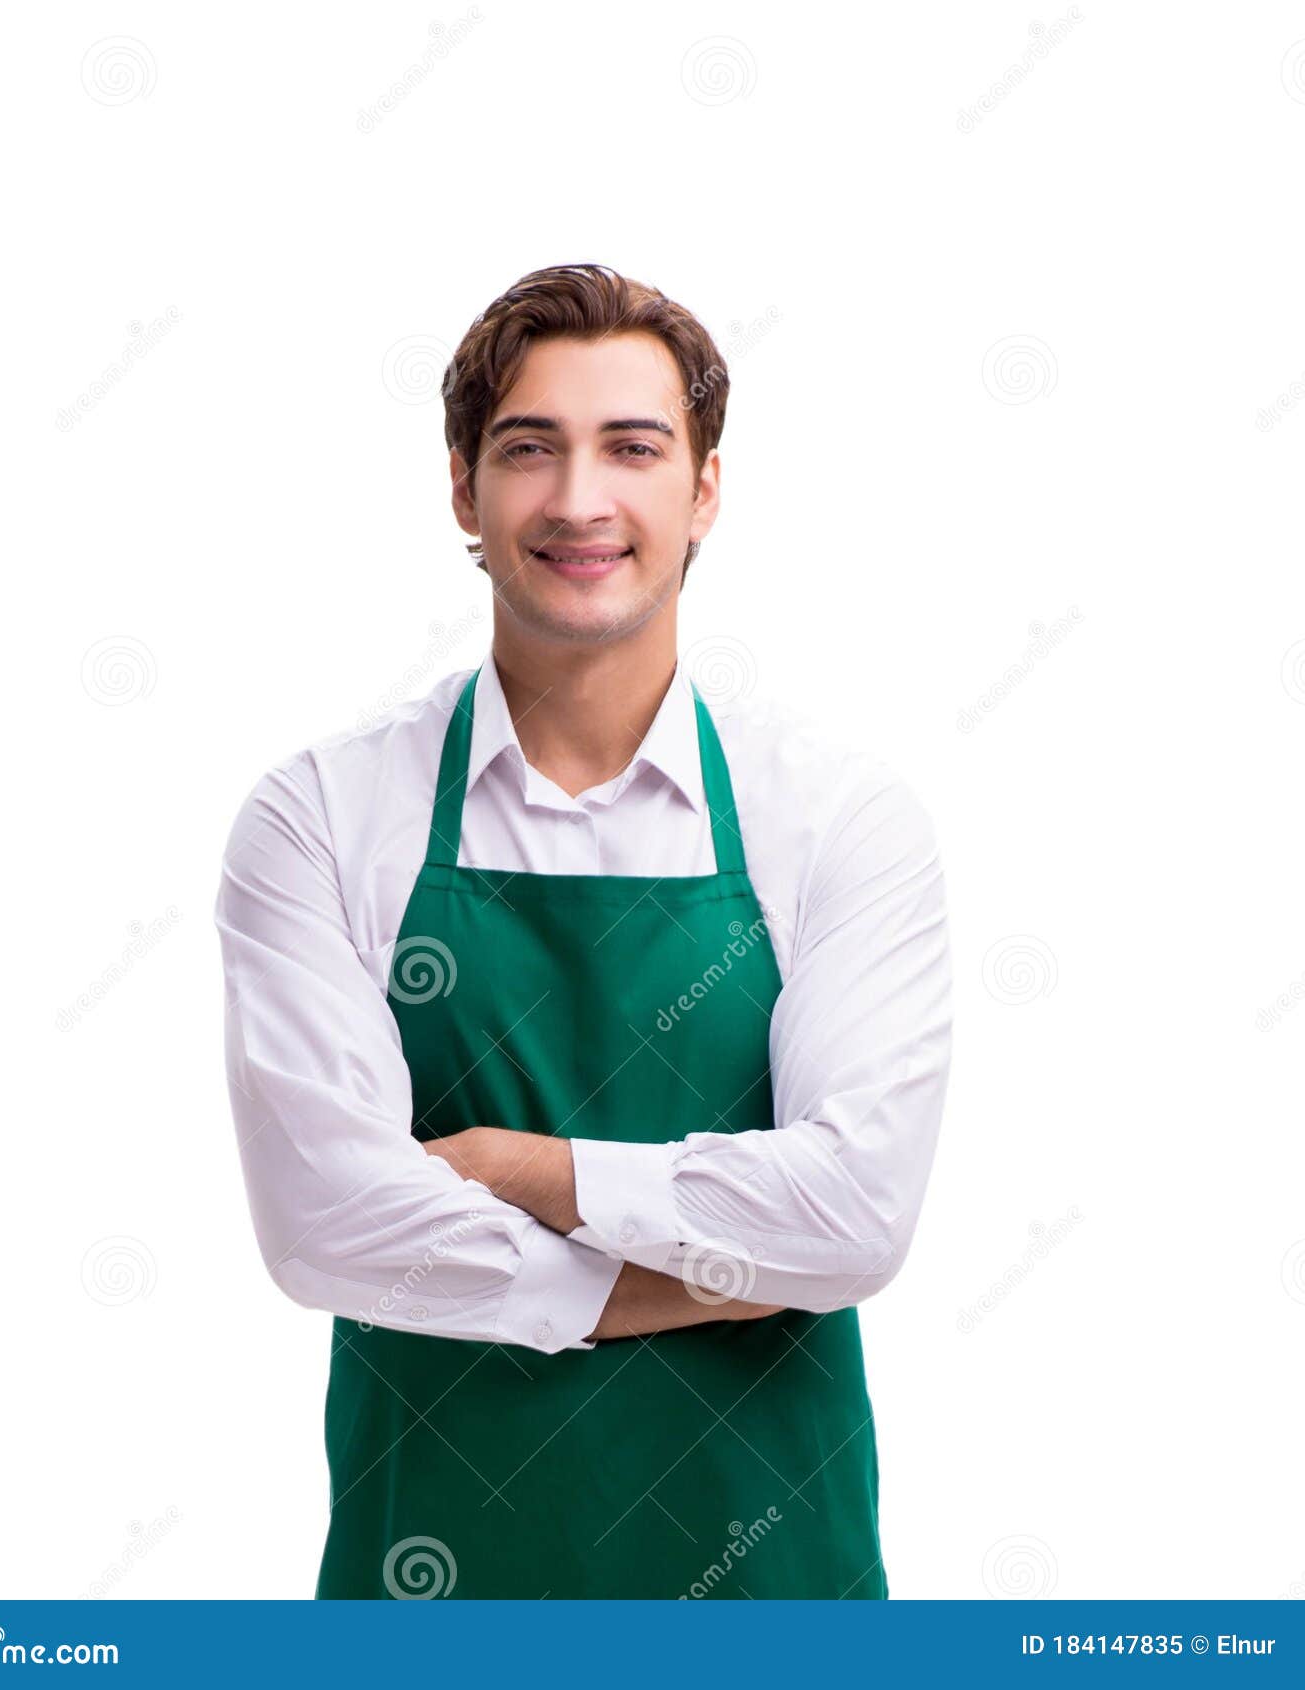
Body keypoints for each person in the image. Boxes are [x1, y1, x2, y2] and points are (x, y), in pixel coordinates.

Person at [213, 262, 953, 1600]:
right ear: (462, 488)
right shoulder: (320, 817)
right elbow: (325, 1227)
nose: (576, 500)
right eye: (526, 449)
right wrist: (709, 1271)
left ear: (704, 491)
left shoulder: (837, 820)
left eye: (631, 447)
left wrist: (515, 1165)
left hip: (774, 1603)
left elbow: (851, 1215)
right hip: (427, 1598)